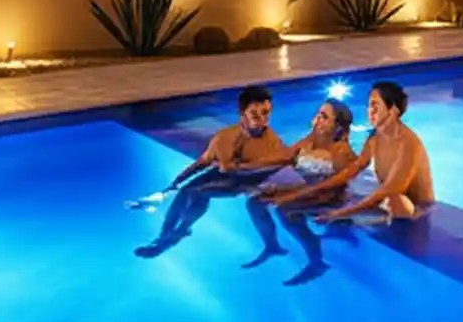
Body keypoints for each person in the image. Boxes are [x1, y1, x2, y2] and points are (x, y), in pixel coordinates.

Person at [134, 85, 287, 258]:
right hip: (230, 175)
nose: (262, 119)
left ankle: (177, 232)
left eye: (266, 113)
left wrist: (262, 184)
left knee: (195, 193)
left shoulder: (270, 138)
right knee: (185, 191)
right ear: (242, 114)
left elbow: (281, 162)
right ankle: (165, 235)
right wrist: (176, 181)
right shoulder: (226, 138)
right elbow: (204, 162)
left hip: (243, 179)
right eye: (255, 114)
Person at [269, 81, 434, 225]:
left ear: (394, 110)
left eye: (375, 106)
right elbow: (352, 169)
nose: (370, 111)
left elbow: (390, 191)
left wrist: (341, 213)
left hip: (416, 209)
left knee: (394, 201)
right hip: (387, 201)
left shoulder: (408, 144)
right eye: (369, 105)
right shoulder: (375, 138)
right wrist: (304, 193)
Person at [241, 99, 359, 285]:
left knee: (286, 210)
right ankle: (272, 246)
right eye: (318, 114)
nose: (317, 119)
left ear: (337, 128)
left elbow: (330, 190)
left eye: (325, 117)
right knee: (254, 202)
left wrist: (287, 195)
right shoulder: (311, 139)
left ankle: (316, 262)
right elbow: (286, 156)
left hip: (331, 198)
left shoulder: (341, 153)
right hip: (310, 190)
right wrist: (246, 166)